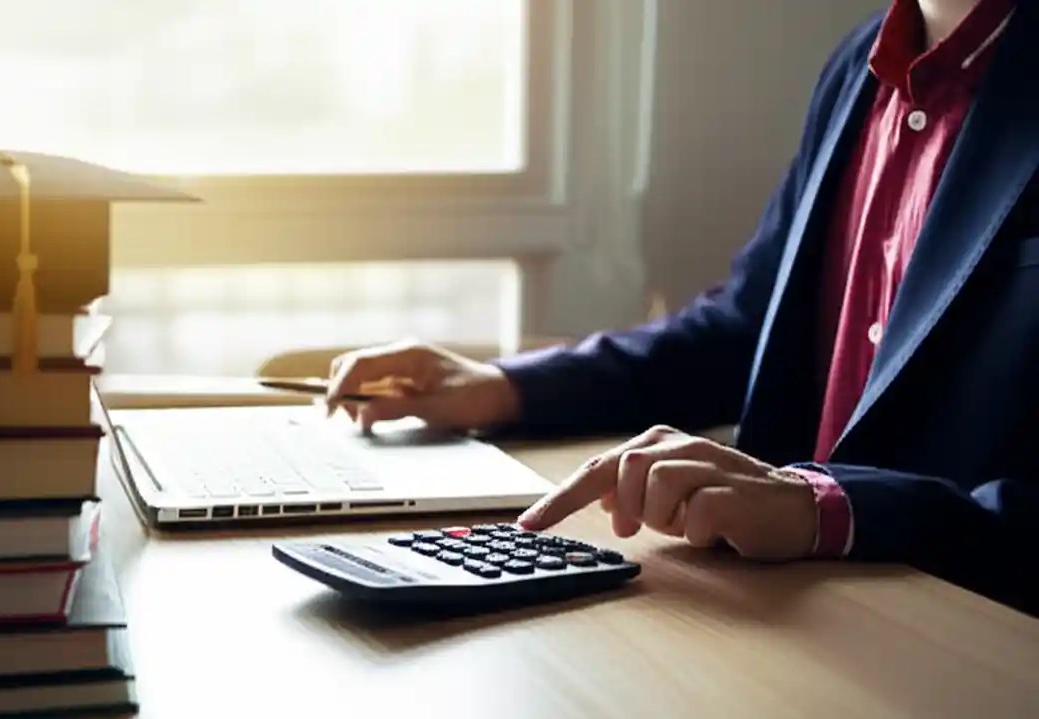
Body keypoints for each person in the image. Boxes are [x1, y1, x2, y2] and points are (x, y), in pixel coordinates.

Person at [324, 0, 1037, 614]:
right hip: (789, 610)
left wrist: (826, 508)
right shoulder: (859, 66)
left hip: (967, 633)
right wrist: (509, 387)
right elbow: (744, 331)